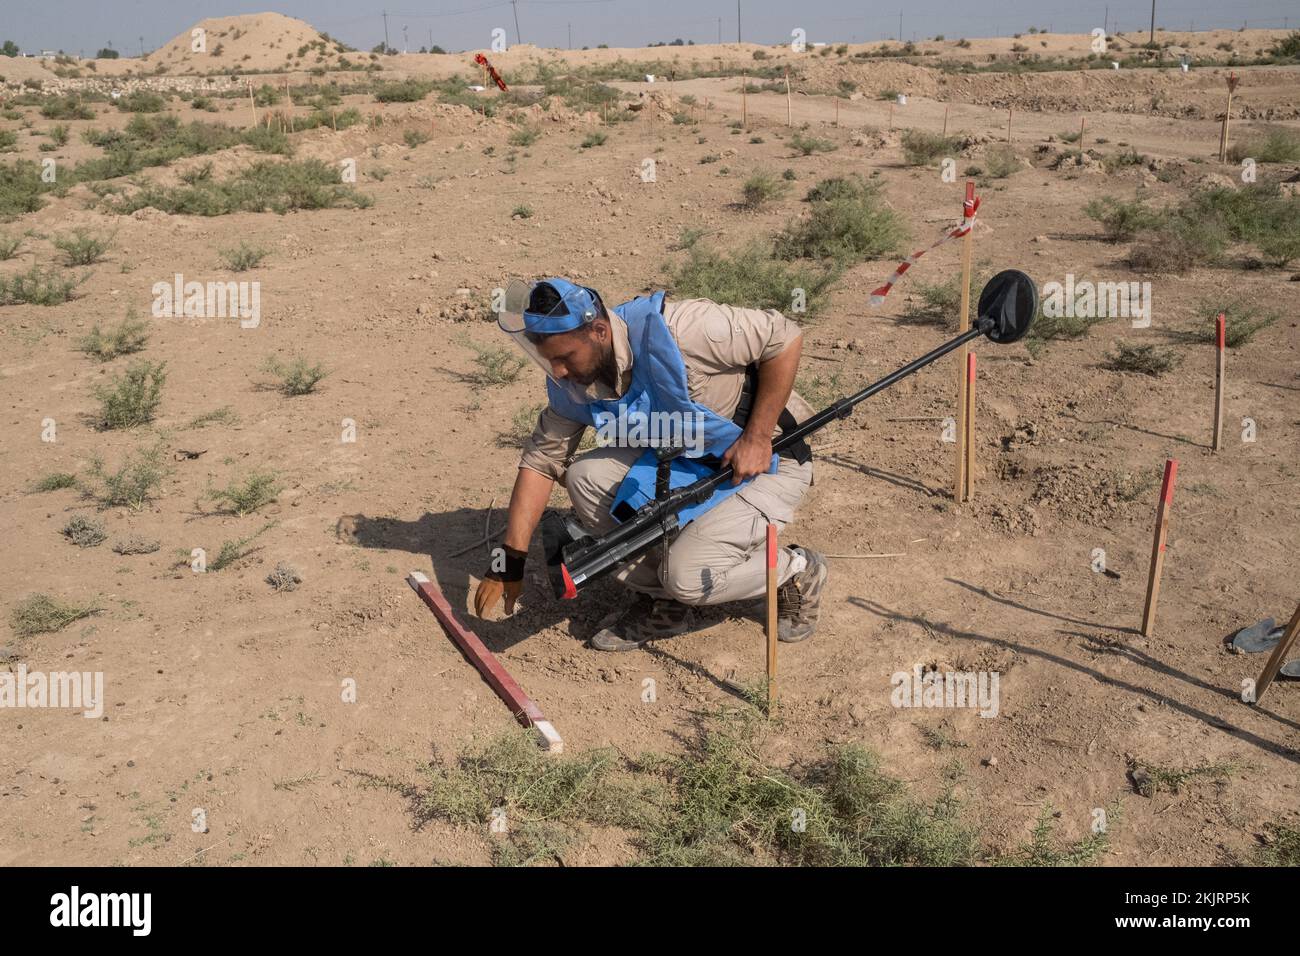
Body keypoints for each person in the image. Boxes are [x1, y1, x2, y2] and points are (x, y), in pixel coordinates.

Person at [473, 277, 827, 651]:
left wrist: (756, 436)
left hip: (767, 461)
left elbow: (784, 336)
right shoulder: (571, 383)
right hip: (685, 463)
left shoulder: (685, 329)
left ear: (599, 331)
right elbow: (543, 459)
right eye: (549, 360)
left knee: (688, 576)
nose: (558, 372)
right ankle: (664, 600)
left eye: (564, 358)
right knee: (583, 477)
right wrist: (510, 561)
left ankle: (795, 571)